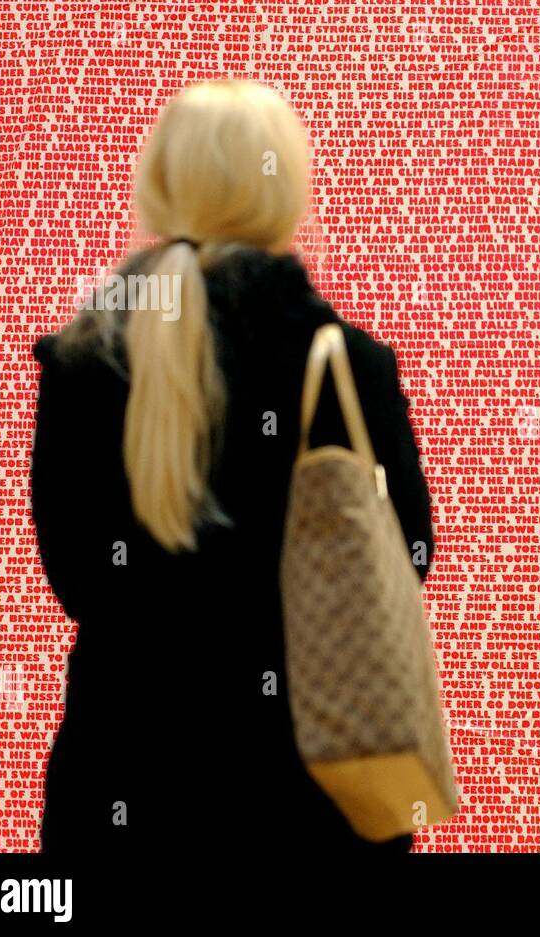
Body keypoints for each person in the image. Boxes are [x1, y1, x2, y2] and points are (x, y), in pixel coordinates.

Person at [30, 80, 435, 860]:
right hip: (315, 790)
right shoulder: (346, 365)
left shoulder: (82, 364)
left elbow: (78, 577)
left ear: (162, 182)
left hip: (127, 781)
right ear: (285, 186)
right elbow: (406, 557)